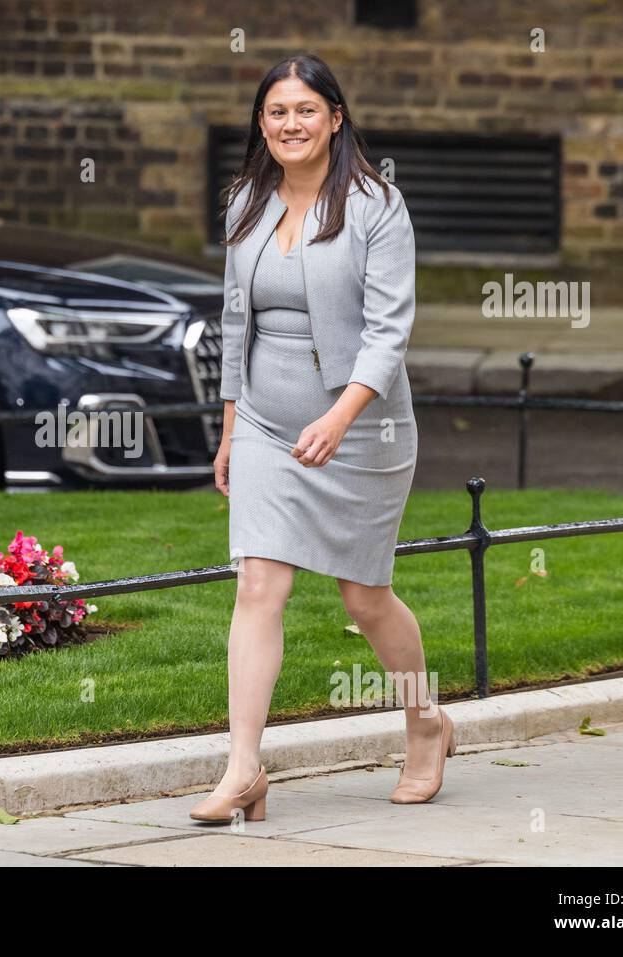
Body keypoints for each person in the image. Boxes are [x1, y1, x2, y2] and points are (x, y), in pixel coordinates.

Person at [190, 53, 453, 824]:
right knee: (257, 584)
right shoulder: (244, 198)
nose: (290, 125)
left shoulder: (377, 204)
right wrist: (232, 428)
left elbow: (389, 329)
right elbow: (237, 319)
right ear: (260, 124)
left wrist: (340, 416)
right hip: (270, 426)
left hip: (365, 428)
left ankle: (425, 721)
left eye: (306, 110)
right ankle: (243, 766)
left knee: (364, 596)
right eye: (276, 112)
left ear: (336, 118)